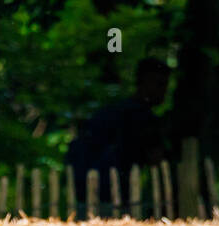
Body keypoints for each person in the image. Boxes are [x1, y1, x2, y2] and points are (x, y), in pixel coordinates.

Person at [66, 56, 171, 213]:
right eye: (159, 84)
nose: (163, 91)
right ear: (144, 82)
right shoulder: (141, 118)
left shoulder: (113, 111)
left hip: (90, 197)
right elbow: (155, 159)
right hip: (112, 200)